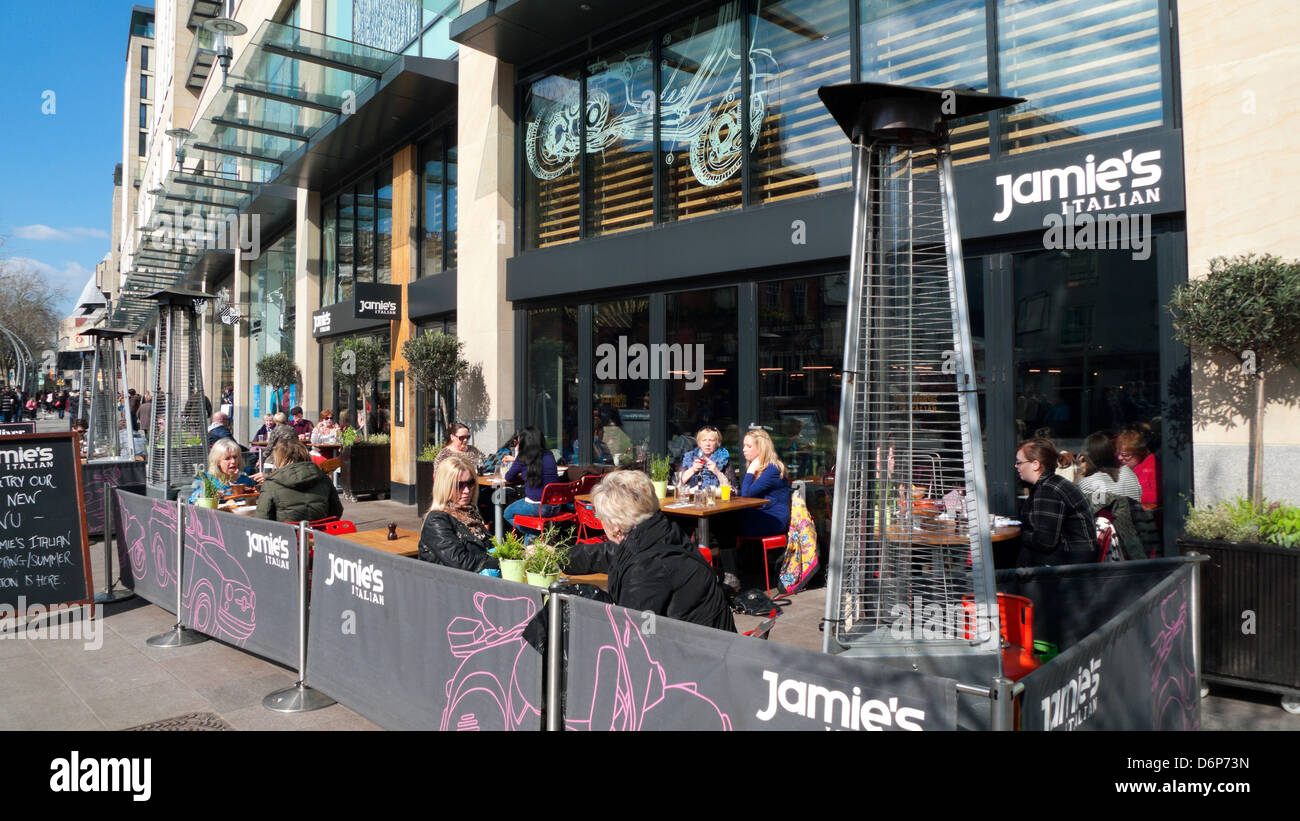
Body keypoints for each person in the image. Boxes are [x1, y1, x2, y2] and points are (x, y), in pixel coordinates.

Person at [565, 470, 735, 632]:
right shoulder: (661, 532)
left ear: (614, 526)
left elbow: (637, 636)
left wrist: (598, 606)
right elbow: (609, 553)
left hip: (696, 656)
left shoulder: (646, 568)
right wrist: (557, 557)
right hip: (716, 645)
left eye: (599, 516)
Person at [1014, 437, 1097, 566]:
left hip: (1070, 567)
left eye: (1019, 462)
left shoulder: (1048, 490)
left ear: (1035, 464)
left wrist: (1019, 534)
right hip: (1075, 559)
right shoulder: (1054, 483)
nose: (1016, 466)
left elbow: (1044, 542)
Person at [417, 454, 498, 573]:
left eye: (470, 483)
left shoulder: (469, 511)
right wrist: (503, 561)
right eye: (459, 485)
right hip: (446, 586)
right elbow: (461, 562)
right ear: (445, 486)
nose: (466, 490)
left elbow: (488, 547)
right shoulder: (436, 520)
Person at [255, 439, 343, 523]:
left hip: (287, 535)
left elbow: (263, 520)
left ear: (278, 458)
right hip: (320, 533)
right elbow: (336, 512)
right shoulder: (323, 479)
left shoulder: (271, 484)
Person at [503, 426, 561, 539]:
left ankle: (536, 531)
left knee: (508, 513)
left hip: (537, 507)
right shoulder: (549, 454)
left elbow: (508, 477)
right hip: (556, 506)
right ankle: (535, 537)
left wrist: (517, 456)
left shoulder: (523, 457)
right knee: (529, 522)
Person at [1075, 432, 1142, 506]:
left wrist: (1078, 474)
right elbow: (1137, 501)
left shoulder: (1087, 482)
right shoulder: (1127, 472)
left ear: (1085, 457)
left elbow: (1077, 506)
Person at [189, 438, 260, 504]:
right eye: (227, 458)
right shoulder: (207, 480)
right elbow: (195, 501)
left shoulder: (245, 480)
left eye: (235, 457)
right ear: (217, 462)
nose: (233, 461)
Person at [1116, 429, 1160, 506]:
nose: (1119, 457)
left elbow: (1156, 496)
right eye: (1118, 453)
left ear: (1139, 453)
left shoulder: (1153, 468)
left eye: (1125, 455)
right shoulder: (1120, 465)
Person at [678, 425, 730, 490]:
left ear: (717, 442)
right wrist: (693, 469)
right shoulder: (690, 457)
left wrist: (717, 471)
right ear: (699, 443)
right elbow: (678, 483)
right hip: (693, 497)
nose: (707, 444)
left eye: (711, 440)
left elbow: (732, 488)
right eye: (704, 440)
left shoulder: (723, 457)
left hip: (715, 498)